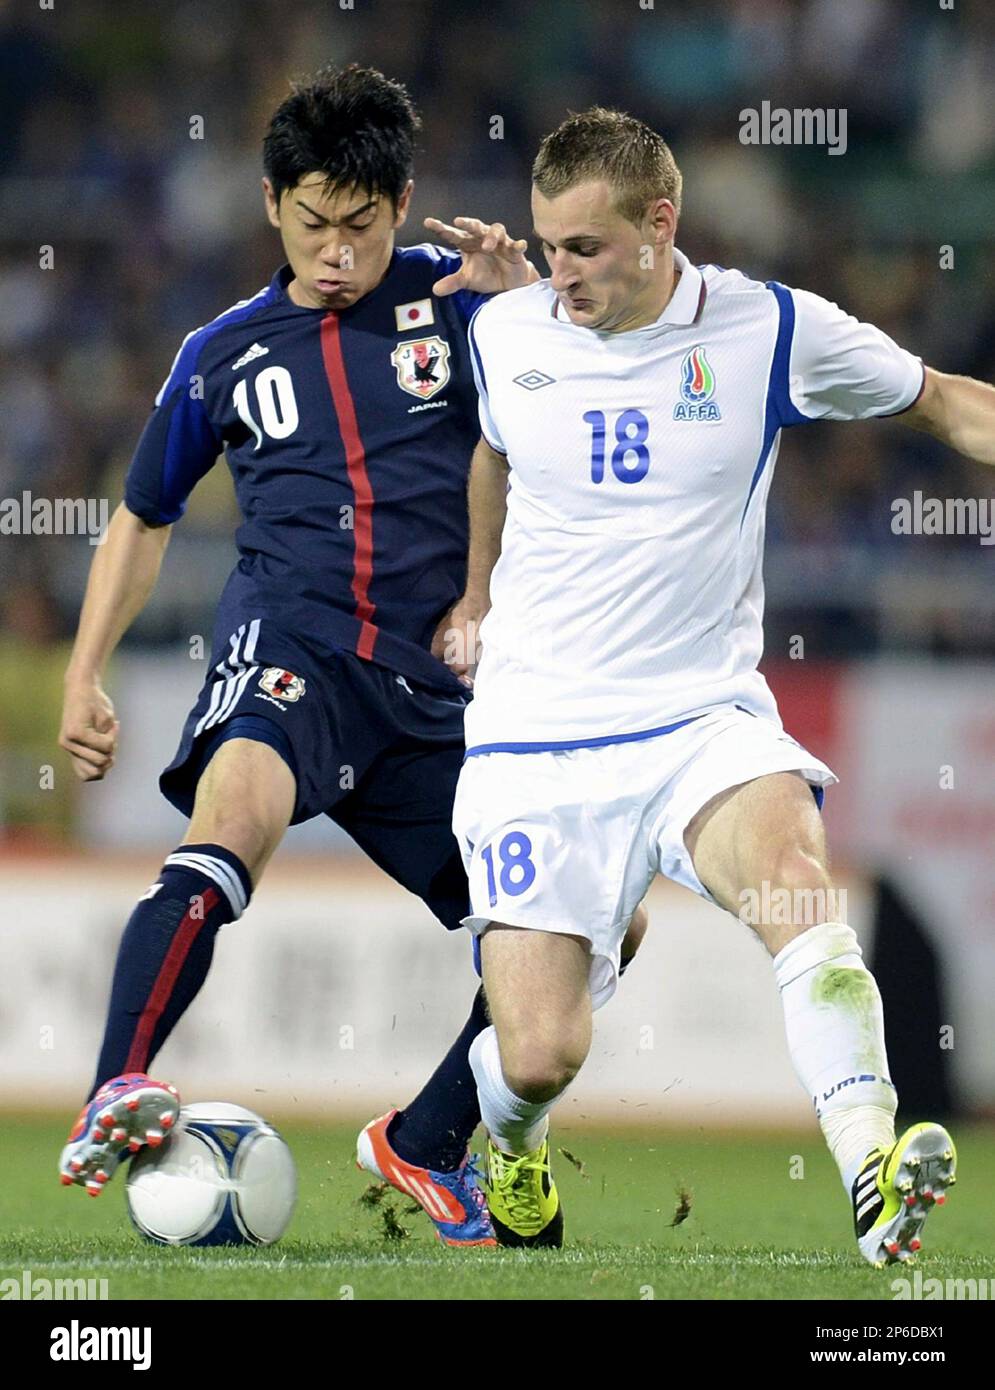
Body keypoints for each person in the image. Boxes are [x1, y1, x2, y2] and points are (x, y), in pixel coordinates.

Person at [57, 63, 627, 1250]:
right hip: (295, 641)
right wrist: (84, 669)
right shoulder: (221, 351)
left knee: (589, 925)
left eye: (361, 227)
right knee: (231, 816)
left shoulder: (470, 300)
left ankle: (429, 1138)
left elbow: (595, 426)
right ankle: (115, 1085)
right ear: (272, 205)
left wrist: (532, 311)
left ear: (400, 202)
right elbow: (144, 515)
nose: (335, 253)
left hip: (440, 688)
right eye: (312, 223)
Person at [450, 107, 987, 1266]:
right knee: (537, 1051)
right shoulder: (504, 332)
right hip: (534, 735)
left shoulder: (766, 329)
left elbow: (943, 400)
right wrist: (474, 596)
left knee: (800, 894)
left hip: (701, 719)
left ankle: (867, 1164)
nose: (559, 274)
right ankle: (510, 1143)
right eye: (546, 247)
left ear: (660, 223)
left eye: (583, 248)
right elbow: (492, 450)